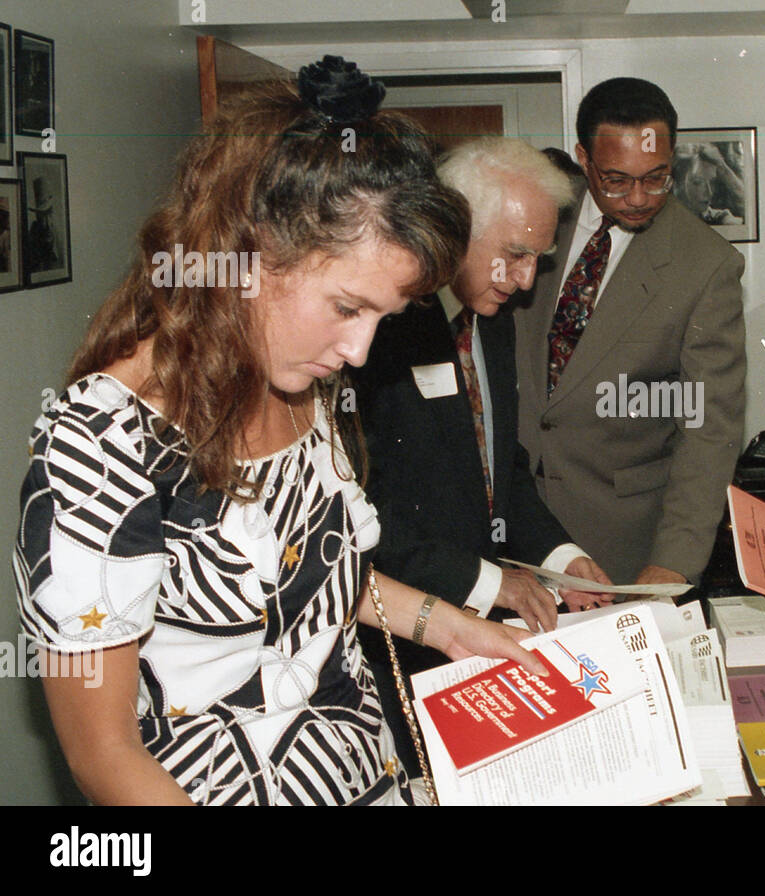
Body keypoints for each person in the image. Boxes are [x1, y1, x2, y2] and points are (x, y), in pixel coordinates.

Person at [12, 57, 543, 806]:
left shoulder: (295, 376)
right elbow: (104, 757)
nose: (359, 352)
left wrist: (449, 628)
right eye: (347, 308)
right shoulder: (102, 445)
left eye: (381, 319)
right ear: (250, 255)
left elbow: (320, 574)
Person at [353, 138, 614, 776]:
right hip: (397, 642)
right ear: (455, 230)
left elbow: (499, 467)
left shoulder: (490, 319)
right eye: (515, 254)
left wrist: (562, 558)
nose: (526, 281)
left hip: (481, 646)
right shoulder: (376, 332)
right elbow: (365, 516)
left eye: (536, 258)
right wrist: (495, 583)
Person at [513, 77, 747, 587]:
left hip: (619, 542)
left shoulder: (706, 265)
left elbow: (708, 427)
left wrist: (674, 563)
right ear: (582, 157)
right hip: (509, 524)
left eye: (657, 177)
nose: (638, 198)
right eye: (616, 180)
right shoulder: (536, 213)